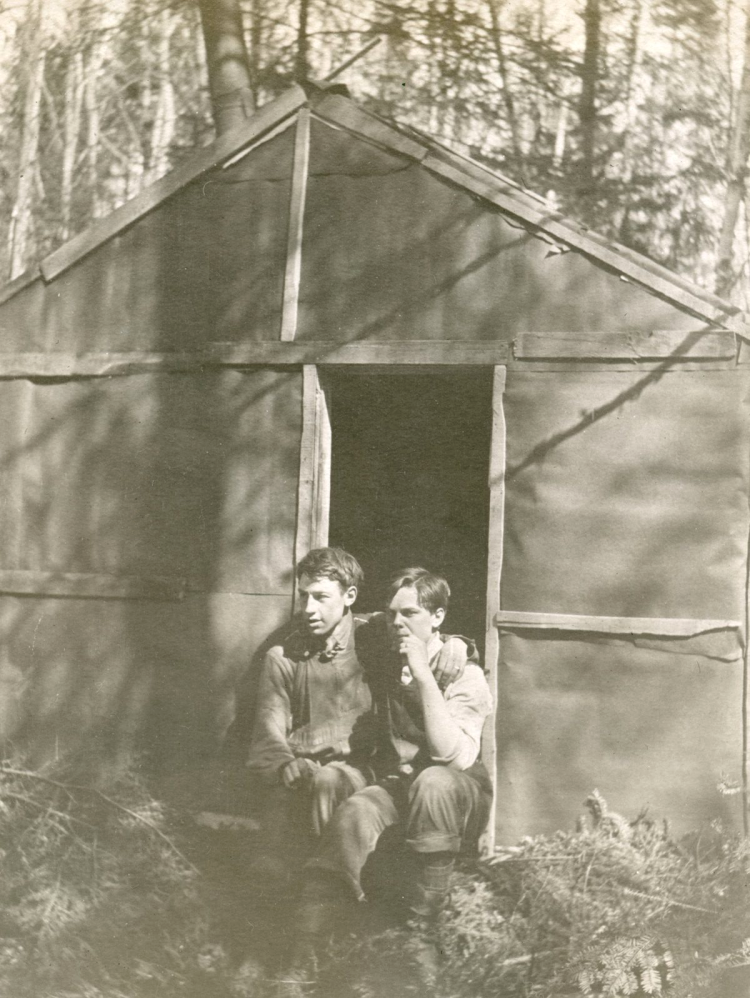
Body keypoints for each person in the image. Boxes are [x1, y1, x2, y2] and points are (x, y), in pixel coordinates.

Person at [279, 567, 493, 993]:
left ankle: (422, 936)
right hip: (404, 785)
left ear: (437, 617)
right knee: (356, 807)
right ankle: (310, 946)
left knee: (434, 781)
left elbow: (454, 755)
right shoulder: (387, 641)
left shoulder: (464, 674)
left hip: (459, 792)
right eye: (393, 613)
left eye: (410, 613)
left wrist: (428, 669)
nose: (398, 623)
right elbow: (354, 617)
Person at [245, 548, 472, 883]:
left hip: (366, 770)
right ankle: (318, 892)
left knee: (338, 789)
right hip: (304, 773)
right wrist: (283, 762)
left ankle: (342, 888)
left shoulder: (372, 634)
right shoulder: (283, 656)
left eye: (321, 597)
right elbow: (268, 727)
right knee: (269, 873)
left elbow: (421, 630)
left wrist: (458, 645)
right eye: (304, 596)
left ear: (349, 596)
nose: (309, 609)